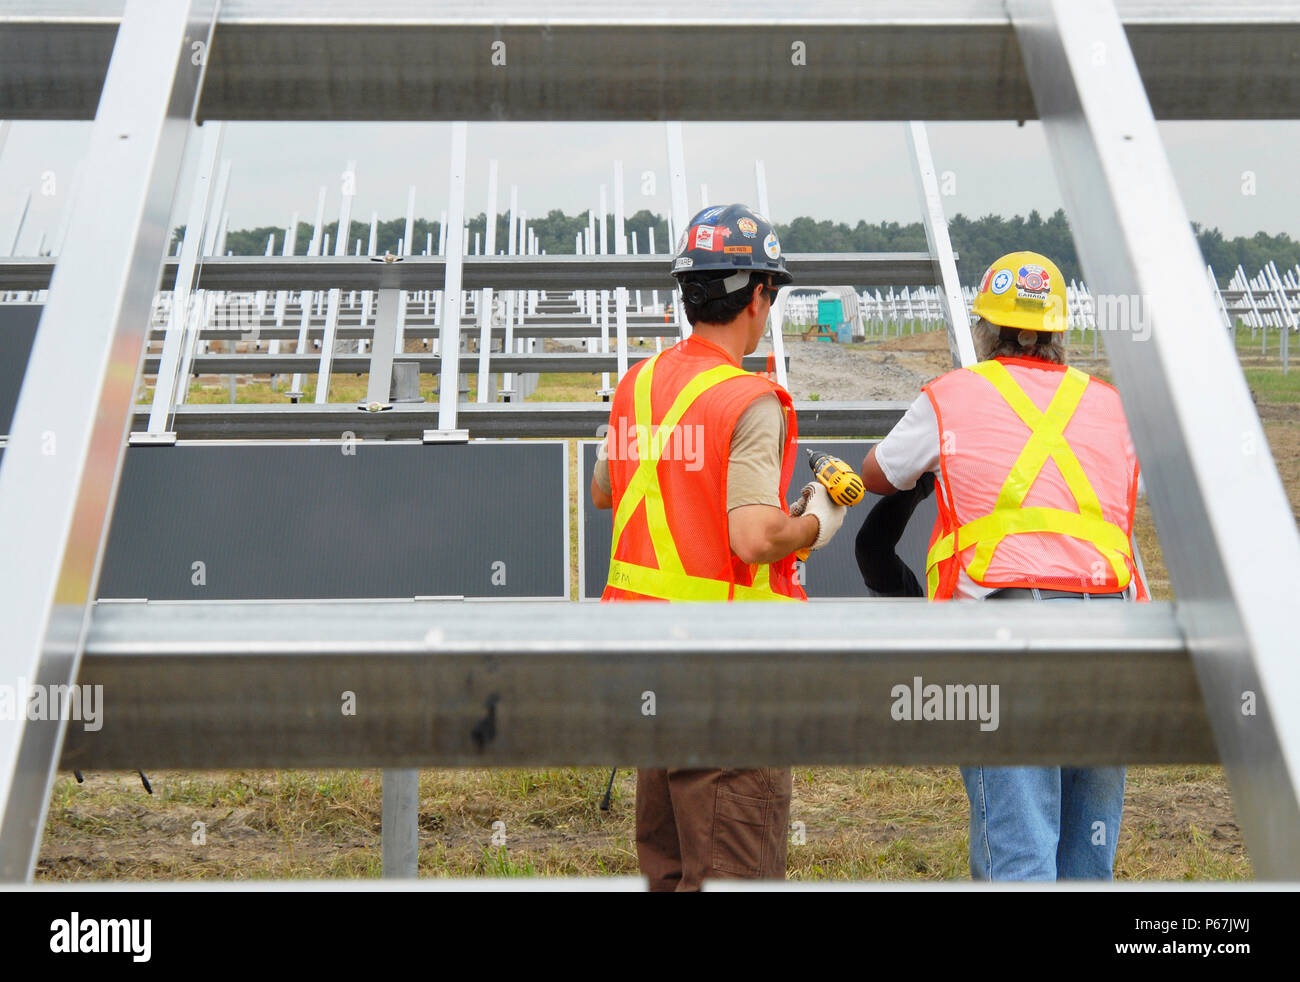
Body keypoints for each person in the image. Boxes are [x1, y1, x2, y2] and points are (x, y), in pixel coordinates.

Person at [859, 251, 1149, 881]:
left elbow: (878, 474)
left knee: (1019, 858)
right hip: (1113, 646)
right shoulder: (1114, 407)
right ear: (1059, 334)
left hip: (1007, 644)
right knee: (1087, 861)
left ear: (985, 331)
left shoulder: (952, 397)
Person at [590, 203, 847, 891]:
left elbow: (606, 490)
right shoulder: (747, 400)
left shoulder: (637, 385)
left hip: (645, 661)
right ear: (758, 295)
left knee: (669, 871)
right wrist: (818, 518)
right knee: (733, 867)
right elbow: (754, 537)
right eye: (772, 293)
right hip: (726, 670)